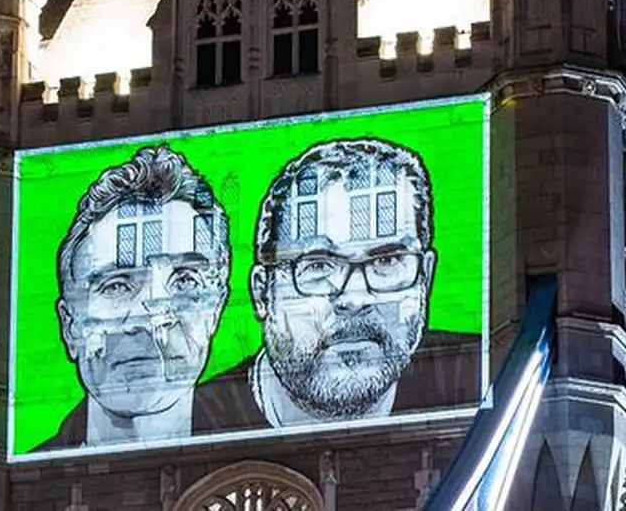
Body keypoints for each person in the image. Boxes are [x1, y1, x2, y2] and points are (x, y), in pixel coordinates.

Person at [193, 138, 480, 431]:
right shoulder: (197, 418)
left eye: (387, 261)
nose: (355, 299)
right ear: (262, 293)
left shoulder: (480, 374)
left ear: (426, 277)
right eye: (318, 266)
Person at [36, 145, 231, 450]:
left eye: (183, 281)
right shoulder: (27, 476)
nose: (151, 318)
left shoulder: (264, 462)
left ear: (216, 310)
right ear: (70, 324)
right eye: (116, 286)